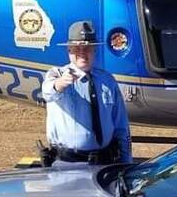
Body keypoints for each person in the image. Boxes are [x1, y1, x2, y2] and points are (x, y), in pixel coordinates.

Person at [41, 20, 132, 166]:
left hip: (105, 162)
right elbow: (47, 92)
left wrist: (126, 162)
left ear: (95, 51)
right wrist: (60, 84)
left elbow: (121, 126)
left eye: (88, 48)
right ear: (69, 50)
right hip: (67, 165)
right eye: (76, 48)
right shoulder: (57, 74)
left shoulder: (107, 81)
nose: (82, 53)